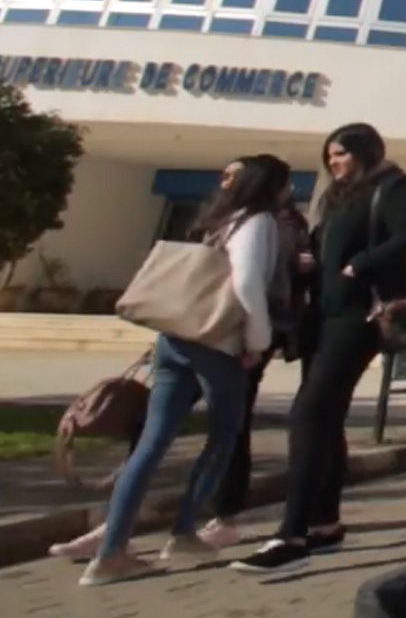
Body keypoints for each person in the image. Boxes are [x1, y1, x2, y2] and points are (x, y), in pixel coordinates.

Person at [80, 155, 286, 586]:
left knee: (152, 443)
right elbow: (247, 282)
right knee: (224, 435)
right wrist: (258, 341)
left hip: (174, 338)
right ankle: (184, 530)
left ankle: (111, 550)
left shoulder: (216, 218)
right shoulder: (258, 222)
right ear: (274, 187)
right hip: (215, 342)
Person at [234, 124, 406, 576]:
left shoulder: (392, 186)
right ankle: (325, 523)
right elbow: (330, 244)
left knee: (308, 415)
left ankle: (291, 534)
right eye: (330, 156)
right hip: (321, 317)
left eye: (342, 154)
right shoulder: (339, 195)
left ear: (365, 151)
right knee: (325, 418)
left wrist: (358, 265)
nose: (334, 162)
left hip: (359, 317)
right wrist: (312, 260)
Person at [204, 181, 313, 543]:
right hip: (201, 326)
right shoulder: (221, 216)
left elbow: (260, 283)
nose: (226, 182)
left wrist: (258, 340)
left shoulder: (276, 223)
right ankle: (118, 526)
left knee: (231, 420)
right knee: (160, 422)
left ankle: (224, 513)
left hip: (242, 328)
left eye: (235, 175)